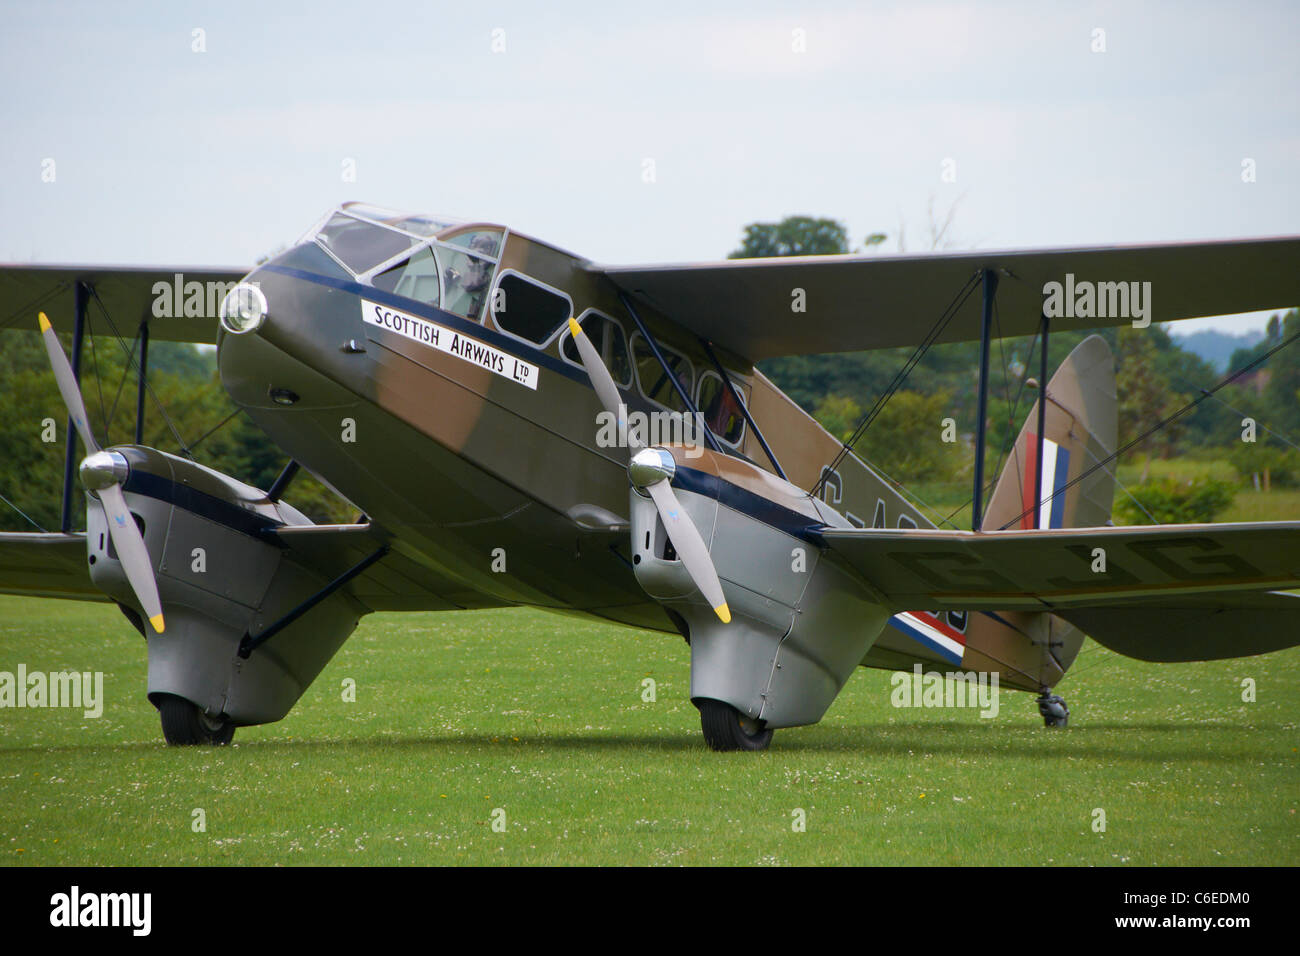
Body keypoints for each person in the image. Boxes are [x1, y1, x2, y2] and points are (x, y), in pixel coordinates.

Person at [441, 233, 497, 319]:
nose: (477, 251)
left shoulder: (497, 290)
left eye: (484, 248)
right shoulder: (455, 276)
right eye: (474, 246)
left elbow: (499, 312)